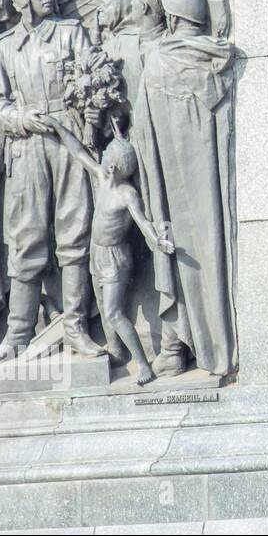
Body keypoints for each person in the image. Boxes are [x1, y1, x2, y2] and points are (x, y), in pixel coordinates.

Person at [0, 0, 103, 363]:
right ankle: (17, 334)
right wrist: (19, 119)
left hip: (67, 138)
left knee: (74, 232)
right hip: (27, 143)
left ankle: (75, 327)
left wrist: (88, 125)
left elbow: (95, 81)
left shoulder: (71, 33)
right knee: (26, 236)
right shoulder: (5, 46)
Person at [134, 0, 237, 378]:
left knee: (176, 250)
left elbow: (144, 128)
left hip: (172, 180)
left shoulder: (158, 60)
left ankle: (178, 346)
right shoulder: (223, 57)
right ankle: (212, 346)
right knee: (212, 253)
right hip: (214, 185)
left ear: (173, 18)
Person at [48, 122, 175, 385]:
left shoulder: (128, 195)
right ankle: (117, 351)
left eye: (106, 155)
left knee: (115, 312)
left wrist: (158, 242)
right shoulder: (103, 178)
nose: (101, 156)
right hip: (98, 253)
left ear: (113, 166)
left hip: (116, 259)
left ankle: (143, 365)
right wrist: (57, 127)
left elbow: (143, 224)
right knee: (105, 309)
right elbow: (79, 152)